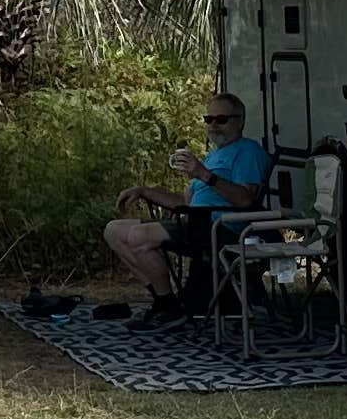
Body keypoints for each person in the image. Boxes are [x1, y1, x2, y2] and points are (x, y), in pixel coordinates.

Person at [105, 91, 269, 319]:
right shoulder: (213, 156)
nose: (213, 125)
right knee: (113, 230)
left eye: (221, 120)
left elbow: (245, 200)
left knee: (138, 236)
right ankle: (164, 300)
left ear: (240, 121)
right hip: (195, 222)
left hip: (221, 227)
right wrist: (144, 191)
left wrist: (203, 174)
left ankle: (169, 307)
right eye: (209, 119)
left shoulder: (248, 151)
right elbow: (183, 202)